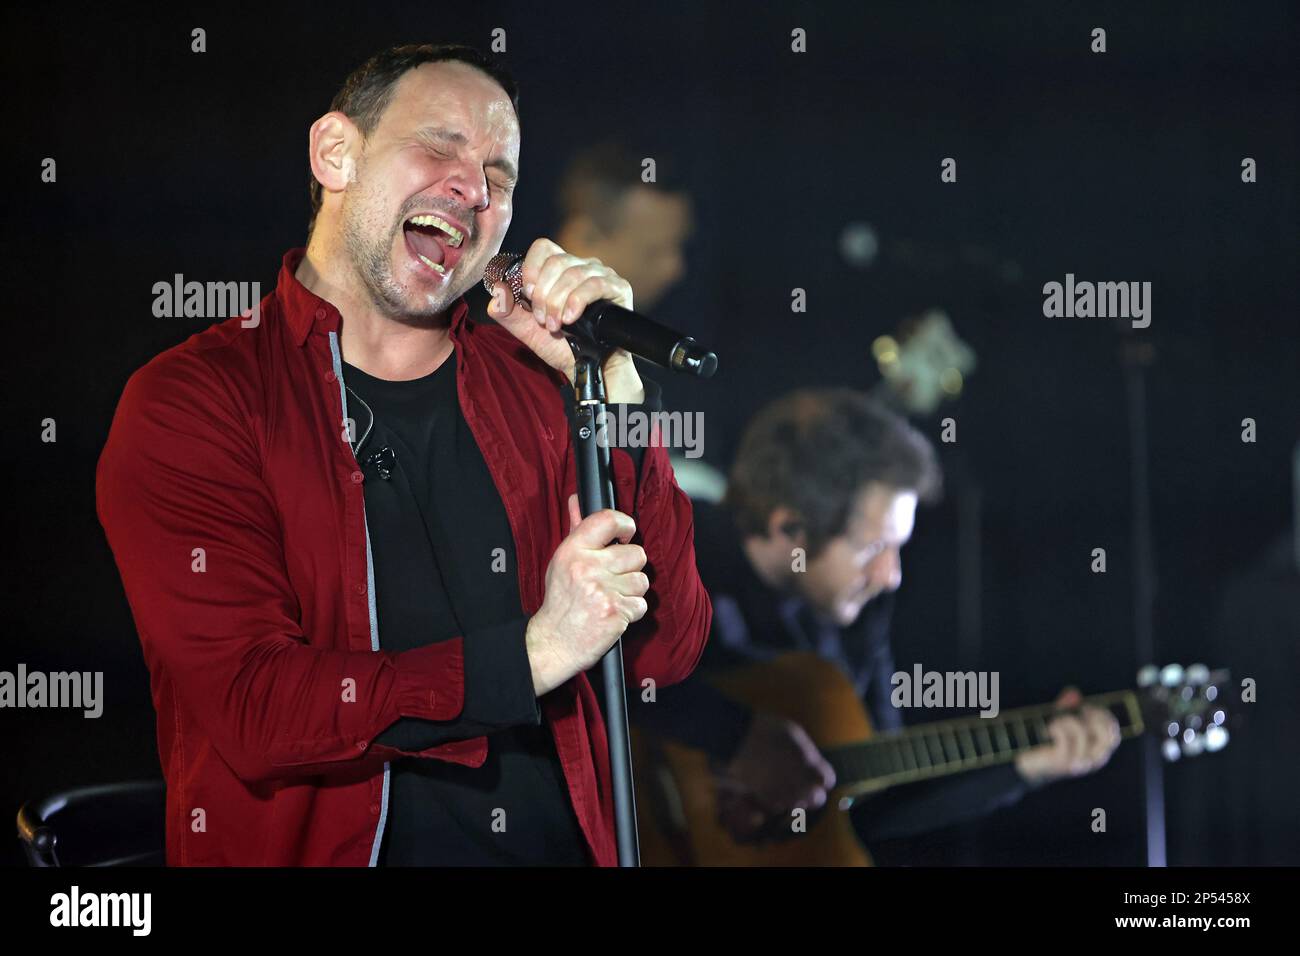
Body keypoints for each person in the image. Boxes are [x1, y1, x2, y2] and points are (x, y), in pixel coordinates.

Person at [95, 42, 712, 866]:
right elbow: (254, 708)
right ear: (334, 153)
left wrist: (621, 400)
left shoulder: (538, 386)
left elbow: (665, 652)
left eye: (501, 173)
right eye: (440, 146)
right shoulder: (197, 401)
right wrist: (534, 653)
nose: (475, 187)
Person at [632, 389, 1120, 855]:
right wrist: (735, 735)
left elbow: (880, 799)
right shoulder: (666, 549)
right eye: (871, 548)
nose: (891, 576)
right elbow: (602, 671)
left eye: (898, 548)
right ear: (789, 529)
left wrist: (1026, 768)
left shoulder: (859, 611)